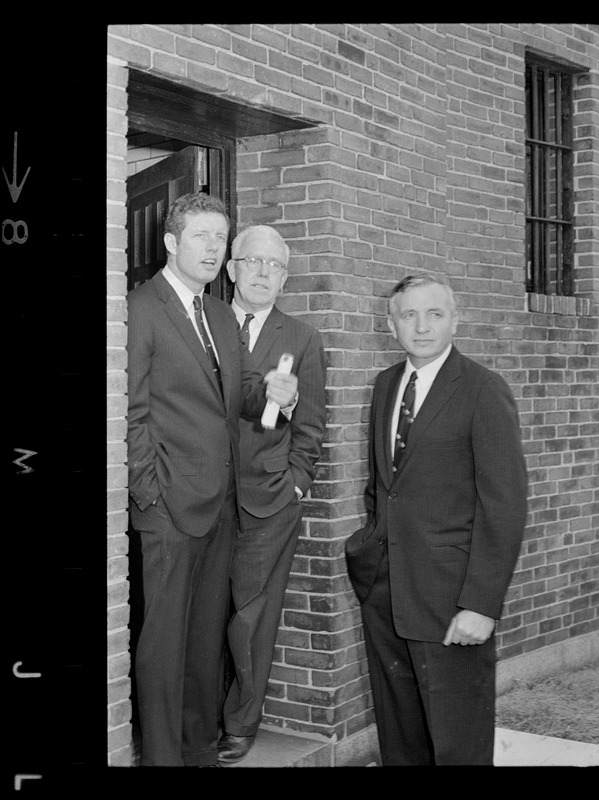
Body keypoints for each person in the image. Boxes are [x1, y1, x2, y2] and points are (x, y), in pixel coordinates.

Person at [127, 193, 298, 767]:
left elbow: (241, 395)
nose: (212, 248)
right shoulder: (139, 309)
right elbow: (129, 412)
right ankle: (162, 759)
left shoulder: (220, 315)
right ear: (170, 242)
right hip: (169, 508)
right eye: (200, 236)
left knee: (204, 645)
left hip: (220, 507)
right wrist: (150, 493)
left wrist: (274, 395)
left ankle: (197, 753)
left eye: (220, 238)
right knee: (163, 646)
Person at [345, 273, 528, 766]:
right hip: (385, 594)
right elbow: (383, 486)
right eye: (409, 315)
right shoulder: (386, 385)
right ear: (391, 325)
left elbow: (504, 506)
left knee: (457, 744)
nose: (421, 327)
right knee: (401, 742)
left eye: (434, 314)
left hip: (451, 601)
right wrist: (369, 553)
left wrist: (481, 605)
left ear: (454, 320)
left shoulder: (483, 390)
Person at [217, 225, 327, 765]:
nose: (263, 272)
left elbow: (311, 427)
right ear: (231, 268)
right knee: (201, 612)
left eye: (275, 265)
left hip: (269, 501)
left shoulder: (302, 338)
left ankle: (240, 723)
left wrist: (297, 484)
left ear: (285, 278)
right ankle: (199, 714)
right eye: (252, 261)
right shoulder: (207, 324)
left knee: (251, 619)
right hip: (203, 497)